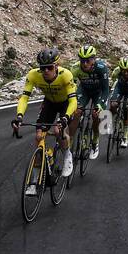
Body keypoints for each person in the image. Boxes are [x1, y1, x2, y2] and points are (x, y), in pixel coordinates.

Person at [13, 48, 78, 187]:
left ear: (56, 66)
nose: (46, 71)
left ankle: (67, 156)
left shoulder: (66, 75)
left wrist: (65, 117)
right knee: (38, 137)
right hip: (49, 103)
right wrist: (19, 116)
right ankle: (35, 179)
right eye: (43, 68)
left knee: (57, 131)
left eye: (49, 67)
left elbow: (73, 101)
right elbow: (24, 98)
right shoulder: (33, 75)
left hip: (65, 104)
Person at [74, 44, 109, 160]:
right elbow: (70, 87)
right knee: (76, 111)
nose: (85, 63)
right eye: (82, 60)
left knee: (96, 114)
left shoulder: (101, 68)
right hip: (84, 90)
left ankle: (95, 141)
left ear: (93, 59)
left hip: (98, 92)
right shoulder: (75, 68)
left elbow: (105, 90)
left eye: (88, 60)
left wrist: (100, 104)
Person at [108, 56, 128, 148]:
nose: (125, 72)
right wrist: (112, 92)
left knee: (126, 107)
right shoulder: (116, 71)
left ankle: (125, 136)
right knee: (113, 104)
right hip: (120, 88)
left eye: (127, 70)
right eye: (123, 70)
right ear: (120, 68)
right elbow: (113, 82)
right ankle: (113, 117)